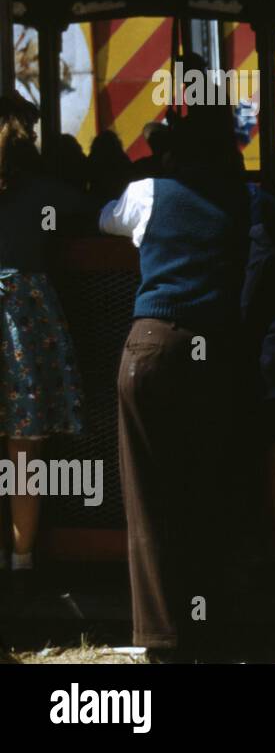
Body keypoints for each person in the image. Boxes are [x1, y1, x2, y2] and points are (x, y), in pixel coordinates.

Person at [100, 103, 250, 658]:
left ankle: (160, 636)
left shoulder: (148, 192)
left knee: (148, 495)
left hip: (152, 346)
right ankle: (209, 622)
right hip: (218, 351)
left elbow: (104, 219)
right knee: (206, 488)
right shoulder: (243, 197)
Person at [0, 95, 87, 598]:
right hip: (26, 319)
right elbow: (91, 212)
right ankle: (22, 560)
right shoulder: (45, 195)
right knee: (24, 451)